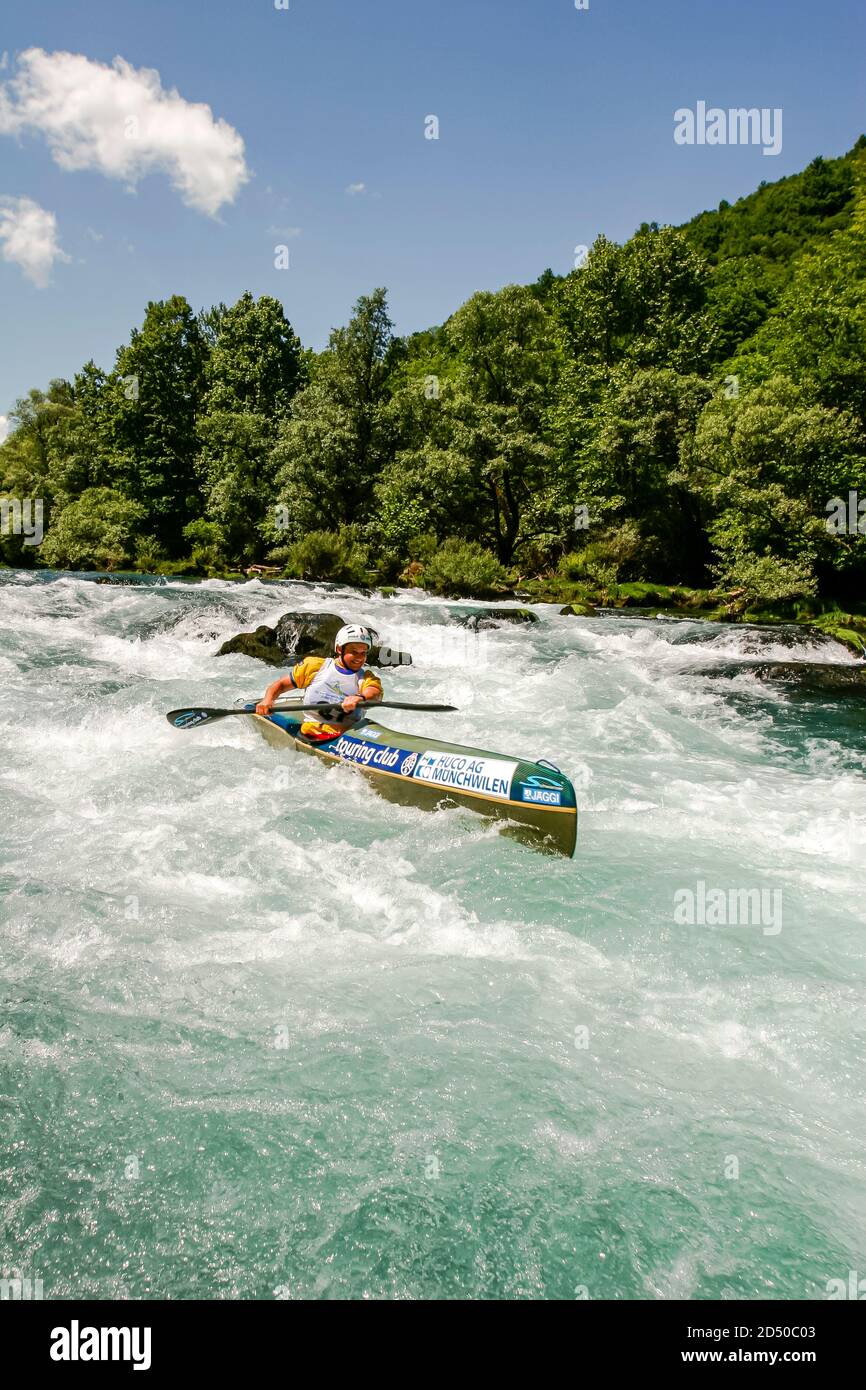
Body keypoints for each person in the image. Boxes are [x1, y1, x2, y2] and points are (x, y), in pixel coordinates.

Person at [255, 624, 383, 741]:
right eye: (354, 652)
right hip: (312, 732)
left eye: (363, 653)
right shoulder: (315, 666)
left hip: (347, 738)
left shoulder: (366, 677)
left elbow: (374, 693)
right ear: (339, 649)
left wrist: (359, 698)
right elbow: (280, 685)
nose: (360, 657)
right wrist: (268, 700)